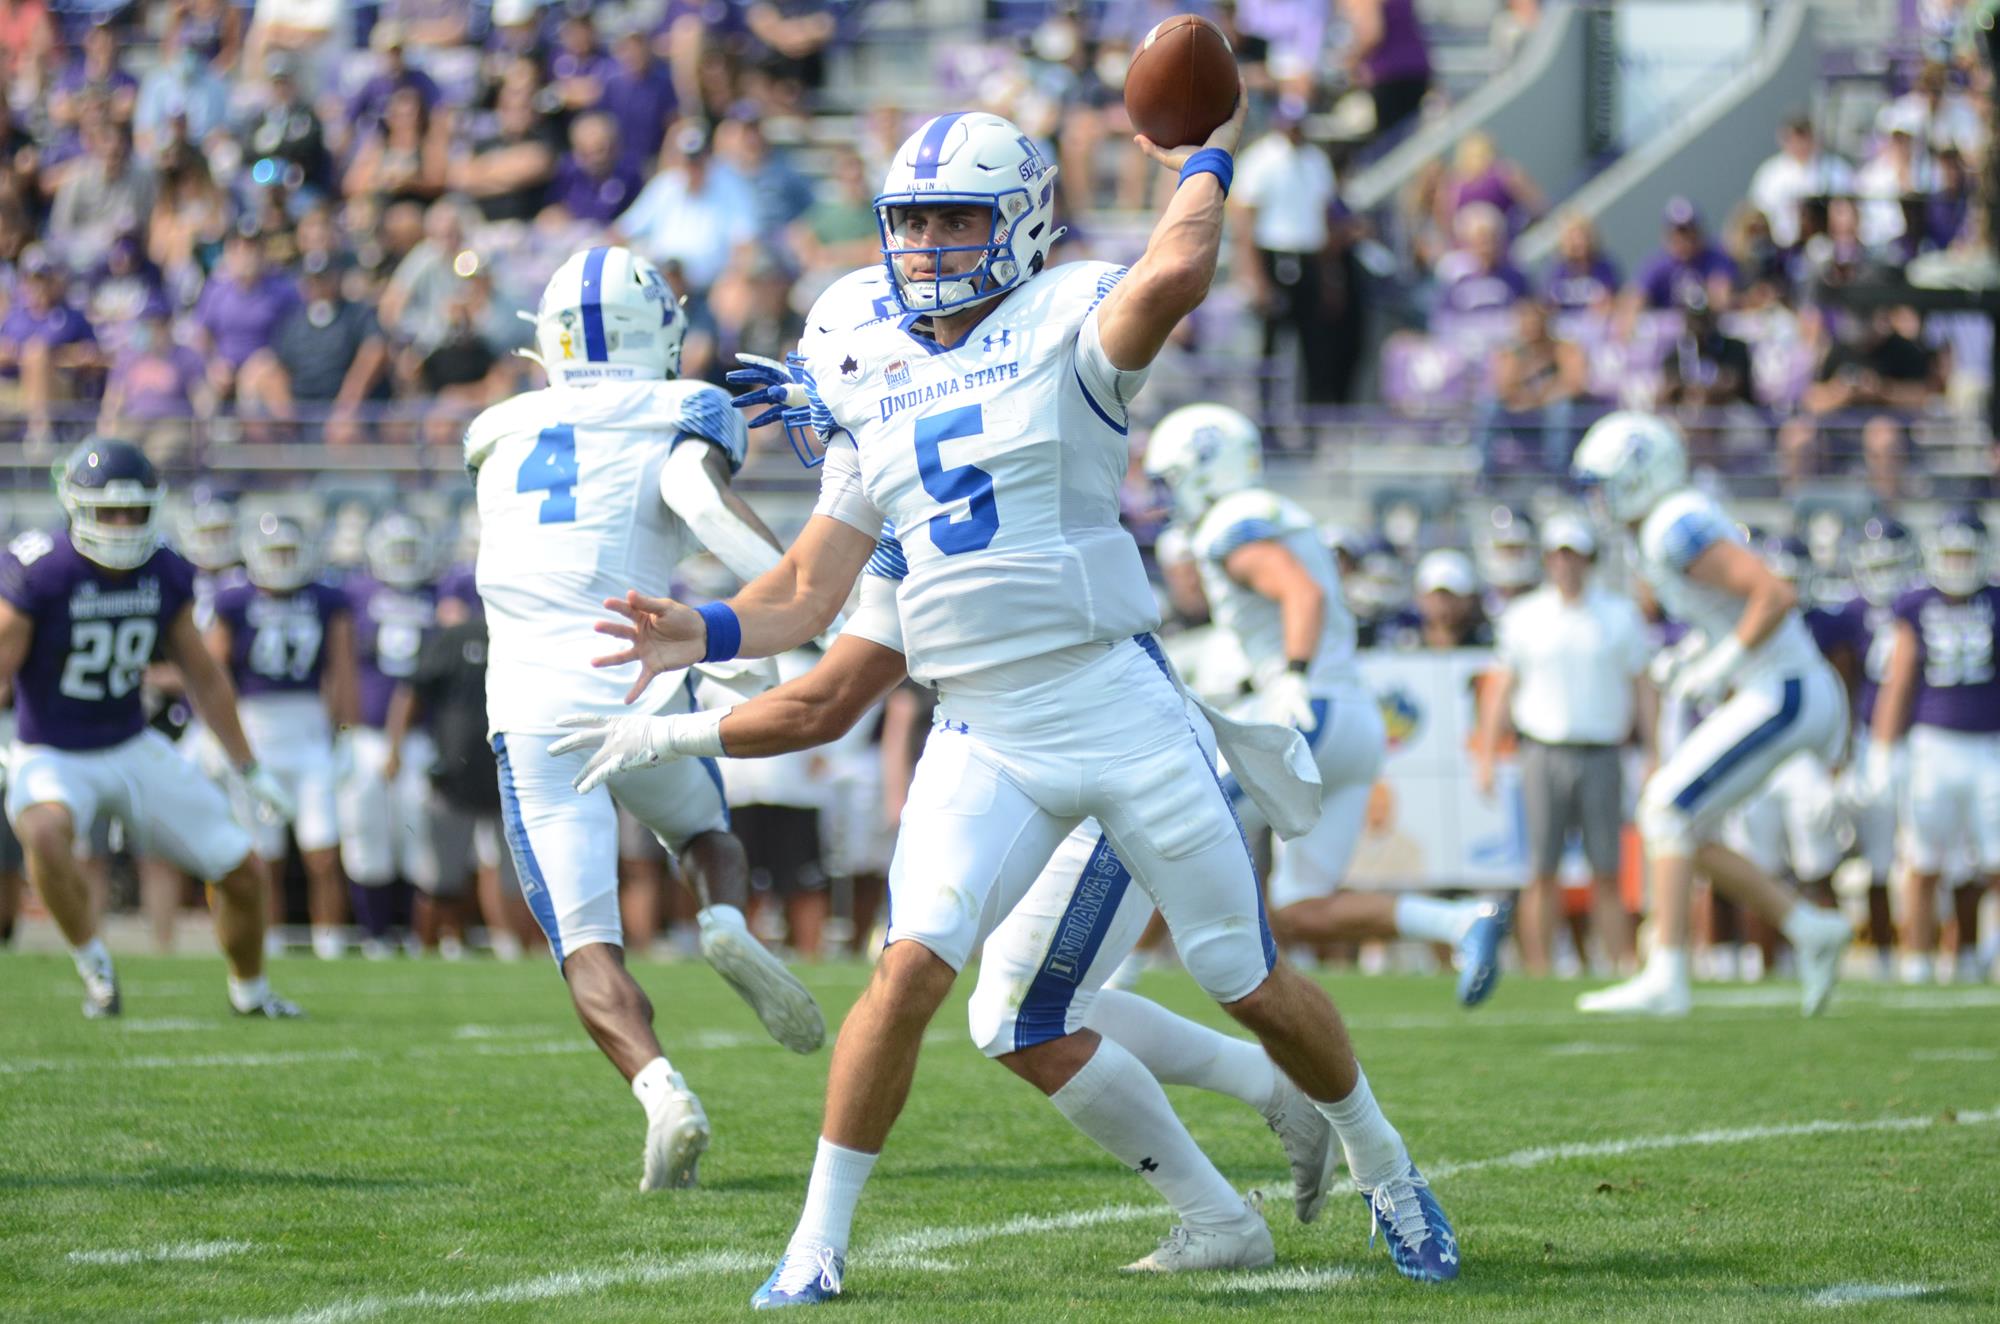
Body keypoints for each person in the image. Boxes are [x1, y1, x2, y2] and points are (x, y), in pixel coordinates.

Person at [574, 101, 1459, 1304]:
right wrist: (706, 627)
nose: (928, 242)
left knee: (1242, 976)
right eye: (911, 219)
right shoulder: (864, 361)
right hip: (981, 727)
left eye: (954, 216)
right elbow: (808, 589)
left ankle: (1386, 1168)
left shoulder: (1065, 320)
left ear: (1024, 220)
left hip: (1115, 700)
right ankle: (817, 1244)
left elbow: (1181, 263)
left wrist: (1197, 152)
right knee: (908, 971)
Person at [560, 534, 1346, 1273]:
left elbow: (823, 692)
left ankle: (1245, 1180)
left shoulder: (975, 460)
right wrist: (707, 629)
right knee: (1019, 1013)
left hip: (1117, 758)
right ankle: (1260, 1117)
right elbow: (802, 589)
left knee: (1025, 1018)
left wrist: (673, 726)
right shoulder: (912, 482)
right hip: (1013, 762)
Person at [460, 244, 826, 1193]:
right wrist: (782, 620)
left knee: (586, 943)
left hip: (533, 708)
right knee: (704, 828)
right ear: (657, 332)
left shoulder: (497, 429)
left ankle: (663, 1094)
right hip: (641, 682)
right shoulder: (678, 408)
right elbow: (701, 505)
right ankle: (724, 917)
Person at [1144, 403, 1507, 1003]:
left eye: (1172, 478)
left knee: (1176, 825)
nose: (1167, 494)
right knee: (1300, 909)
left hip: (1306, 712)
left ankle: (1109, 983)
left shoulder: (1230, 523)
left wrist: (1291, 675)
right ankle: (1460, 921)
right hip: (1348, 720)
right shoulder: (1272, 511)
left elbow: (1299, 591)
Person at [0, 440, 299, 1019]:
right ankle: (96, 969)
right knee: (41, 831)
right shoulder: (44, 571)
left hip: (133, 745)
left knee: (241, 869)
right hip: (53, 750)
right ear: (76, 508)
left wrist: (249, 767)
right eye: (108, 511)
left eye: (134, 511)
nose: (121, 525)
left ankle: (252, 995)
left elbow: (204, 678)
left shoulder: (163, 569)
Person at [1570, 412, 1854, 1016]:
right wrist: (1697, 653)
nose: (1598, 498)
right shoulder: (1666, 525)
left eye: (1604, 482)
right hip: (1774, 684)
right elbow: (1727, 610)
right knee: (1677, 827)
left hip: (1785, 689)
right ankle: (1808, 927)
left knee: (1667, 809)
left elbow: (1772, 592)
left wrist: (1721, 665)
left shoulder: (1674, 524)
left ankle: (1666, 975)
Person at [1475, 512, 1651, 975]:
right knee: (1540, 870)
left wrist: (1653, 753)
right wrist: (1488, 756)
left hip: (1602, 751)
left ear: (1588, 560)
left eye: (1574, 556)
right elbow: (1502, 687)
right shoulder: (1525, 617)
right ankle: (1540, 970)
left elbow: (1642, 687)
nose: (1566, 566)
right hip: (1542, 749)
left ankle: (1618, 964)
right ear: (1548, 561)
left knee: (1607, 871)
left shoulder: (1618, 615)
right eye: (1558, 556)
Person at [206, 513, 356, 961]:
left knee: (324, 854)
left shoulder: (328, 599)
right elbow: (216, 675)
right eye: (276, 552)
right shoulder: (233, 601)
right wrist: (225, 738)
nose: (284, 561)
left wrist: (345, 731)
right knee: (264, 857)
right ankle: (266, 944)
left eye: (290, 551)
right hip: (256, 733)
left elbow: (343, 671)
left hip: (309, 733)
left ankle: (330, 945)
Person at [1868, 509, 1998, 984]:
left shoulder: (1996, 601)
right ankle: (1917, 962)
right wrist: (1884, 748)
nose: (1960, 563)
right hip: (1932, 746)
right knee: (1922, 862)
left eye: (1967, 553)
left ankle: (1982, 953)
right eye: (1952, 553)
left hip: (1989, 747)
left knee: (1993, 863)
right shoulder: (1916, 602)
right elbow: (1899, 680)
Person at [335, 511, 442, 958]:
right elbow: (339, 662)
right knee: (365, 832)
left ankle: (415, 934)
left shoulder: (441, 594)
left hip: (421, 737)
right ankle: (375, 932)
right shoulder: (355, 594)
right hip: (366, 734)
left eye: (410, 551)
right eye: (395, 550)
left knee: (418, 836)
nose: (402, 560)